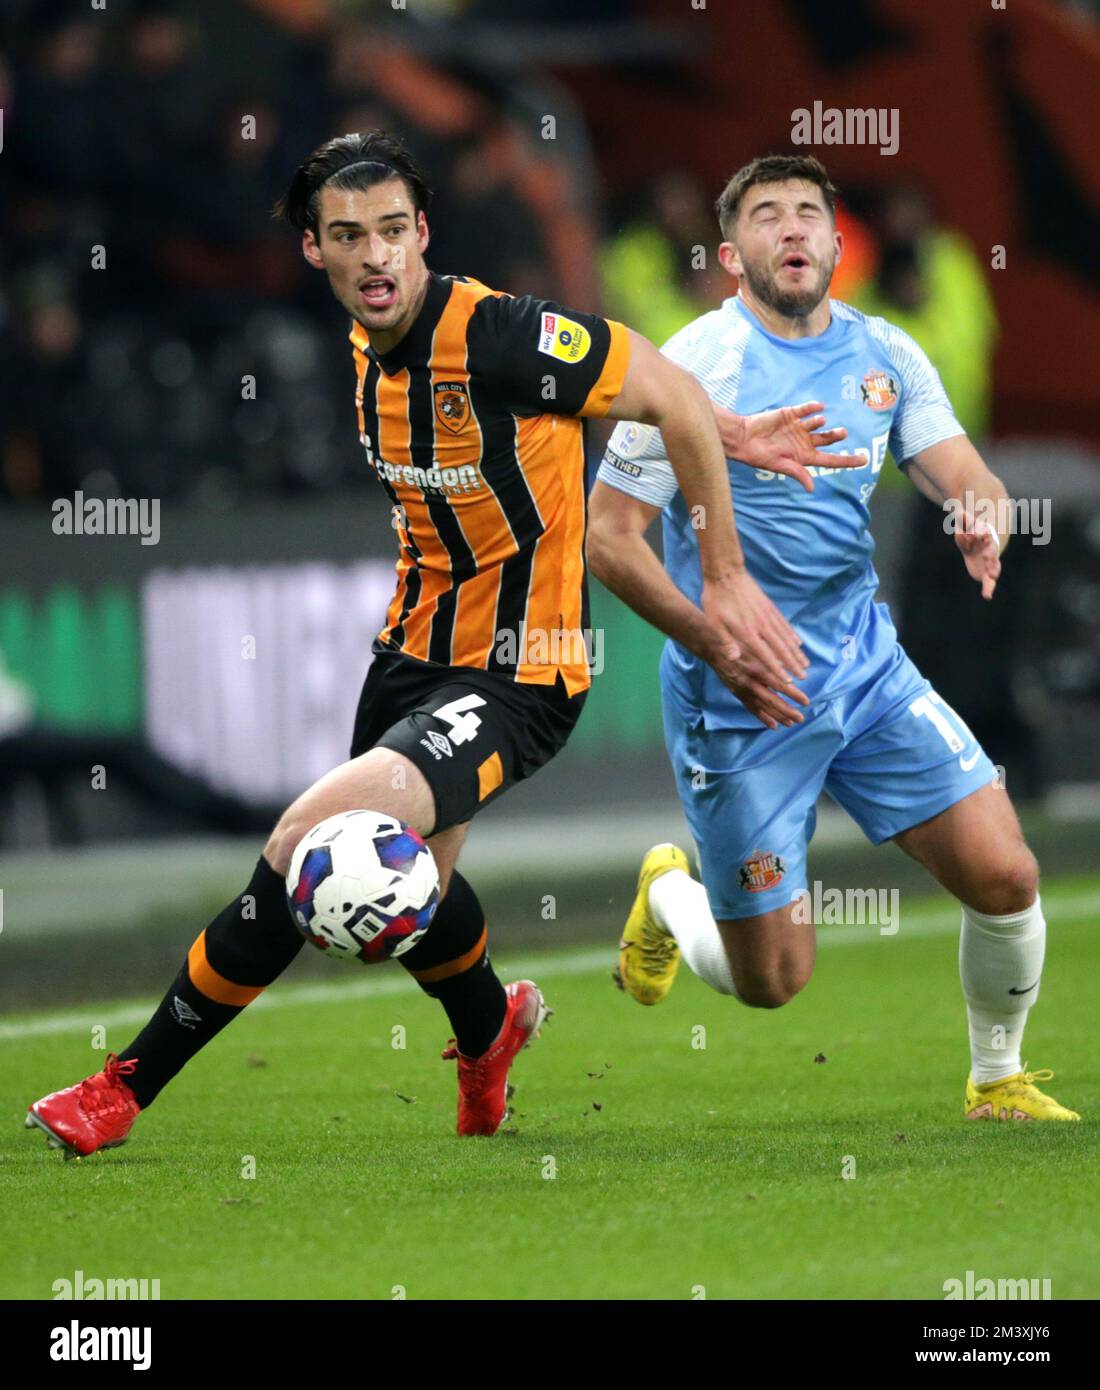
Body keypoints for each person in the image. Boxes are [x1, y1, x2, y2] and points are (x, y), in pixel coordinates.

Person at [26, 132, 853, 1156]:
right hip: (411, 655)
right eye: (345, 237)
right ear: (313, 253)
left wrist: (722, 568)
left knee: (305, 851)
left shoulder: (500, 334)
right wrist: (734, 428)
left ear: (421, 234)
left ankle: (121, 1088)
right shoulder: (366, 338)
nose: (372, 257)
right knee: (400, 898)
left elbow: (660, 392)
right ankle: (490, 1030)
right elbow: (625, 403)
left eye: (388, 233)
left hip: (522, 670)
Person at [588, 154, 1078, 1123]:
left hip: (862, 668)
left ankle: (995, 1079)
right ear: (731, 254)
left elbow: (963, 474)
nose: (792, 229)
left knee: (1005, 870)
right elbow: (608, 539)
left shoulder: (883, 352)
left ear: (835, 242)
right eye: (766, 216)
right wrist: (711, 637)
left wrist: (981, 514)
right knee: (772, 979)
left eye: (808, 212)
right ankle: (672, 896)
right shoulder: (686, 370)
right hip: (741, 695)